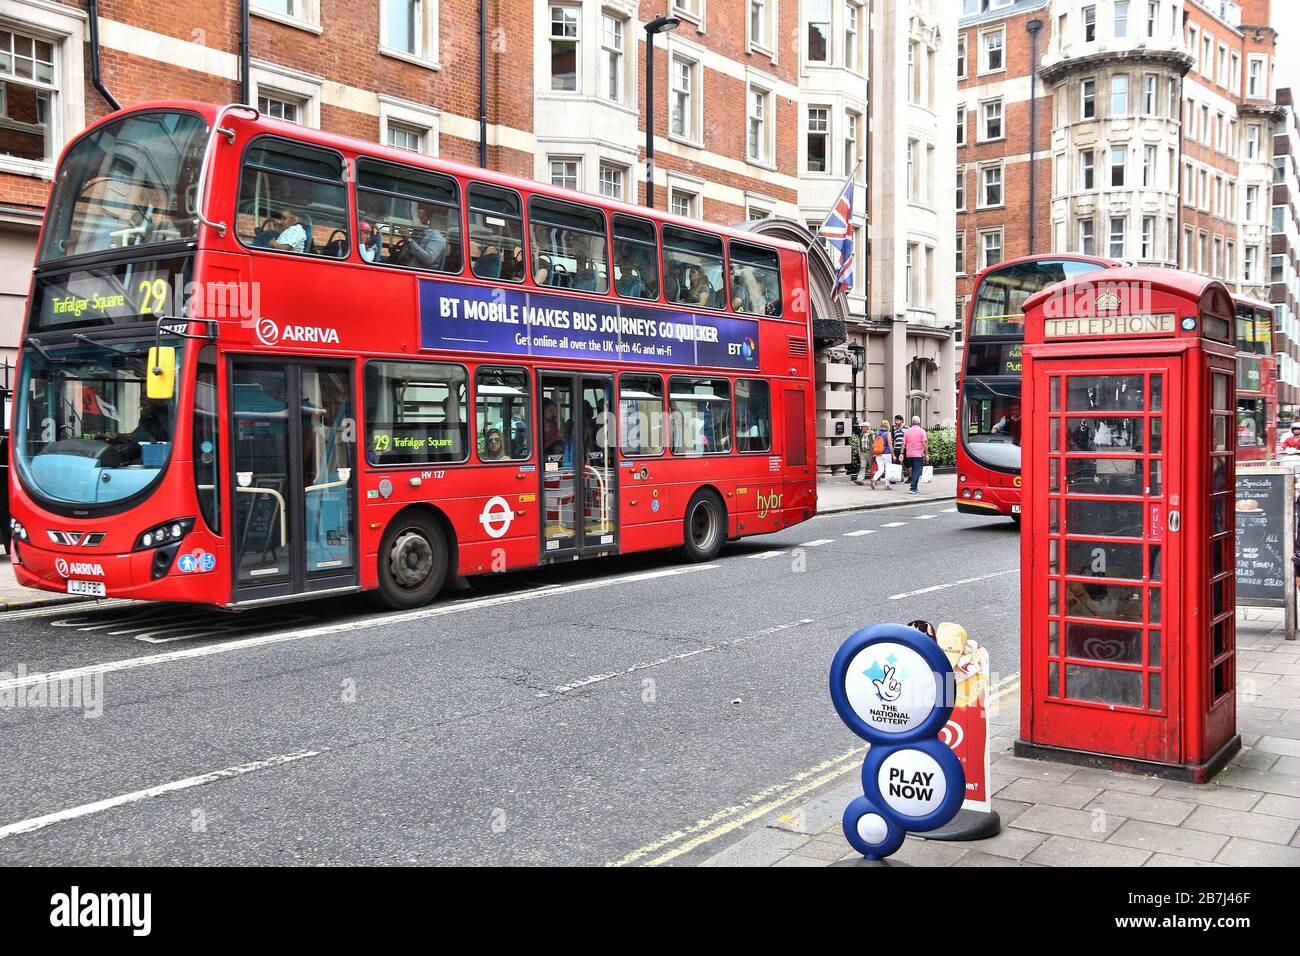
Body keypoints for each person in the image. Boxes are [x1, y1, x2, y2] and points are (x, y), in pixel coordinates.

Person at [401, 203, 447, 269]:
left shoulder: (436, 236)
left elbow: (428, 259)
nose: (416, 221)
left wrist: (409, 240)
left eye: (420, 218)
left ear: (428, 219)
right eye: (415, 219)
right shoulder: (415, 233)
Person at [903, 416, 929, 495]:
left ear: (912, 422)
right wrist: (926, 454)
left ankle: (914, 487)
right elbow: (924, 443)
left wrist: (901, 453)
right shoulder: (922, 431)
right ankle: (913, 488)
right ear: (919, 422)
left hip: (909, 454)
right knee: (917, 471)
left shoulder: (907, 431)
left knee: (913, 469)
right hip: (918, 454)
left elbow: (903, 443)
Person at [852, 422, 876, 488]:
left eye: (863, 427)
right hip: (863, 452)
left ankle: (874, 479)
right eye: (861, 427)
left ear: (867, 427)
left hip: (870, 453)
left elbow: (874, 444)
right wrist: (859, 450)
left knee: (872, 467)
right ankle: (860, 480)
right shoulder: (862, 434)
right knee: (862, 466)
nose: (861, 428)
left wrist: (874, 453)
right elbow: (860, 442)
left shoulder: (872, 434)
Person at [872, 419, 894, 488]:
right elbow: (890, 445)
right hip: (887, 453)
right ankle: (887, 485)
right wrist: (893, 454)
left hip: (878, 453)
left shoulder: (877, 433)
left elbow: (874, 444)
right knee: (888, 469)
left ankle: (874, 479)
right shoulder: (888, 434)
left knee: (880, 469)